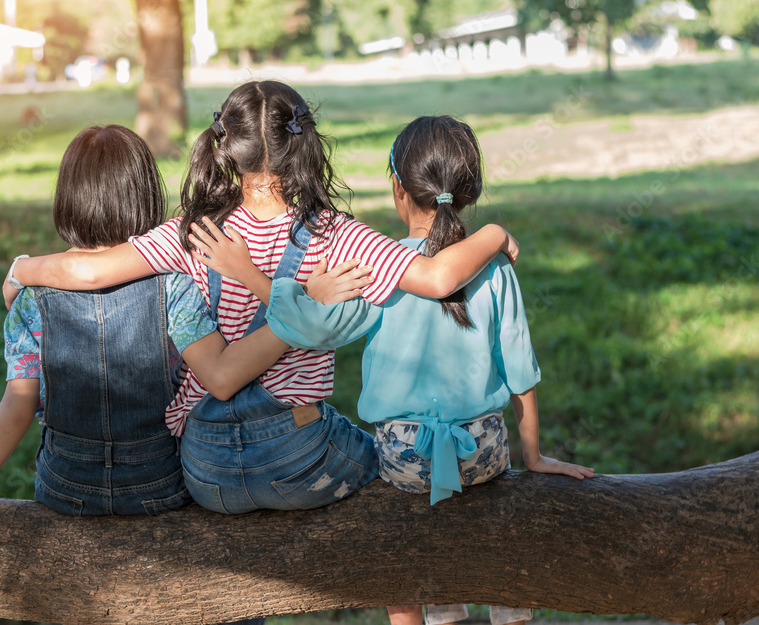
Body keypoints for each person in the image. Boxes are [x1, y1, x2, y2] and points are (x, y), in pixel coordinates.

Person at [1, 82, 518, 514]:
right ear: (305, 145)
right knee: (378, 455)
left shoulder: (191, 232)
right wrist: (493, 233)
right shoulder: (338, 235)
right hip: (297, 458)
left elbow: (89, 270)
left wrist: (22, 269)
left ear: (226, 147)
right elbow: (436, 279)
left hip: (205, 470)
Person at [195, 115, 595, 625]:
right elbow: (521, 370)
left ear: (397, 189)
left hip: (405, 456)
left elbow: (314, 327)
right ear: (467, 190)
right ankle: (510, 612)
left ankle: (441, 614)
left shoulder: (382, 266)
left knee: (404, 510)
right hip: (485, 450)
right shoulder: (495, 267)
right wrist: (534, 457)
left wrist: (255, 277)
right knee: (490, 520)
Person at [0, 125, 291, 521]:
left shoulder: (31, 297)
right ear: (144, 195)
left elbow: (18, 404)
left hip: (66, 485)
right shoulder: (174, 285)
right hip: (159, 483)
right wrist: (298, 321)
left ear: (67, 199)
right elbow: (219, 378)